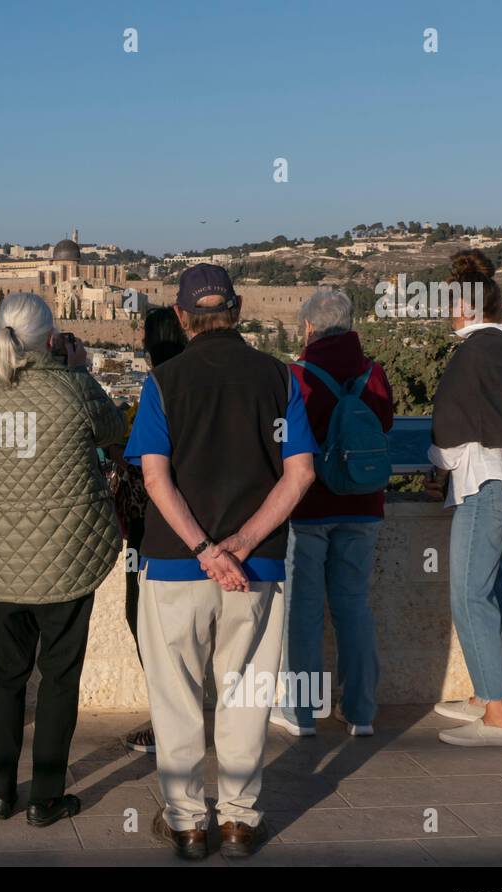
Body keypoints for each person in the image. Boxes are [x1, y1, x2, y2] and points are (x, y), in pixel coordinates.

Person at [125, 264, 316, 860]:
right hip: (257, 569)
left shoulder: (163, 383)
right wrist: (242, 542)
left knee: (176, 696)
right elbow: (301, 474)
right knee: (247, 694)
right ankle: (237, 821)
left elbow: (155, 479)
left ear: (181, 318)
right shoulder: (280, 378)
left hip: (177, 567)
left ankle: (186, 825)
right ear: (236, 311)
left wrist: (207, 550)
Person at [0, 293, 125, 826]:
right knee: (59, 680)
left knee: (6, 681)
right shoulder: (74, 389)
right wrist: (77, 369)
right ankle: (47, 797)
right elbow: (115, 435)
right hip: (65, 559)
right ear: (50, 337)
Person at [428, 250, 502, 748]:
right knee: (493, 593)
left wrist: (436, 462)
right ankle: (486, 694)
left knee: (469, 595)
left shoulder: (475, 351)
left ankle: (498, 718)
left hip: (483, 485)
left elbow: (451, 427)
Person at [270, 289, 394, 739]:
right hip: (364, 505)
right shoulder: (375, 373)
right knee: (354, 606)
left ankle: (301, 713)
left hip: (308, 509)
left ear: (307, 328)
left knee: (302, 611)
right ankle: (360, 712)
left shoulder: (296, 377)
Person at [105, 306, 186, 754]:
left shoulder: (159, 387)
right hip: (199, 528)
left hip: (153, 534)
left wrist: (116, 450)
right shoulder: (195, 381)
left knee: (147, 625)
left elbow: (145, 469)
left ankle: (166, 724)